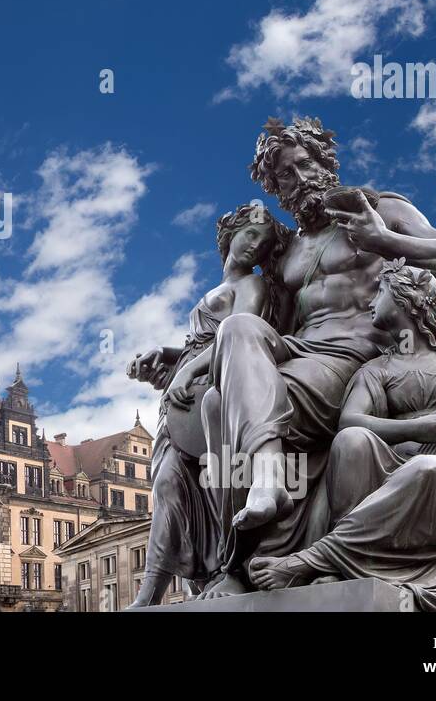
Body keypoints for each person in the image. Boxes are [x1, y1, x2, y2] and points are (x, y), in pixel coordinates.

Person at [198, 117, 436, 597]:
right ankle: (250, 529)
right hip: (301, 351)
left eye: (307, 163)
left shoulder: (379, 207)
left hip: (355, 357)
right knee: (224, 368)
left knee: (226, 405)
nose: (301, 177)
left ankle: (259, 548)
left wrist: (385, 240)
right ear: (276, 188)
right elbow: (259, 316)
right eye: (286, 174)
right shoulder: (285, 251)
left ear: (327, 162)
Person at [248, 259, 436, 611]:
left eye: (380, 291)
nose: (371, 302)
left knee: (429, 469)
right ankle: (345, 562)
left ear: (406, 299)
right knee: (352, 441)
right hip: (397, 471)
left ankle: (312, 559)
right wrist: (415, 428)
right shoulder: (377, 370)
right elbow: (350, 421)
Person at [128, 203, 291, 606]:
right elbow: (196, 343)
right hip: (183, 399)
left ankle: (225, 565)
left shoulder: (252, 287)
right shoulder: (215, 289)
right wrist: (163, 355)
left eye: (264, 243)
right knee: (166, 484)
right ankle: (150, 592)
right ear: (230, 233)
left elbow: (233, 336)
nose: (254, 247)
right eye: (250, 235)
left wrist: (185, 371)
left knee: (214, 479)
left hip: (216, 386)